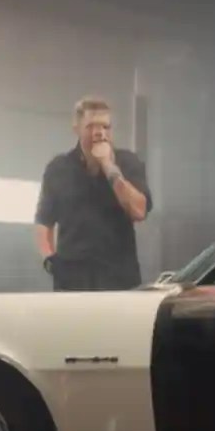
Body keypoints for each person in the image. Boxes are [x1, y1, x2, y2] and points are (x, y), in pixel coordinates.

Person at [35, 96, 152, 291]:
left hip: (119, 279)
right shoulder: (58, 168)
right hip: (72, 281)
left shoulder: (128, 162)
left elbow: (139, 211)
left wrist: (109, 166)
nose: (99, 133)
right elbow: (43, 221)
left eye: (105, 127)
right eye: (91, 126)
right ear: (77, 128)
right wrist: (50, 260)